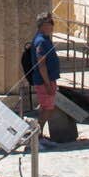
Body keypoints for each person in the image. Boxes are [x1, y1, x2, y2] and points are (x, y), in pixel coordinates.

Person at [25, 11, 61, 139]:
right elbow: (42, 65)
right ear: (43, 24)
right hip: (44, 81)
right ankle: (37, 135)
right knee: (47, 108)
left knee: (45, 106)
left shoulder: (45, 39)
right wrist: (47, 84)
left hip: (48, 79)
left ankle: (38, 133)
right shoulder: (41, 41)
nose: (53, 25)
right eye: (50, 23)